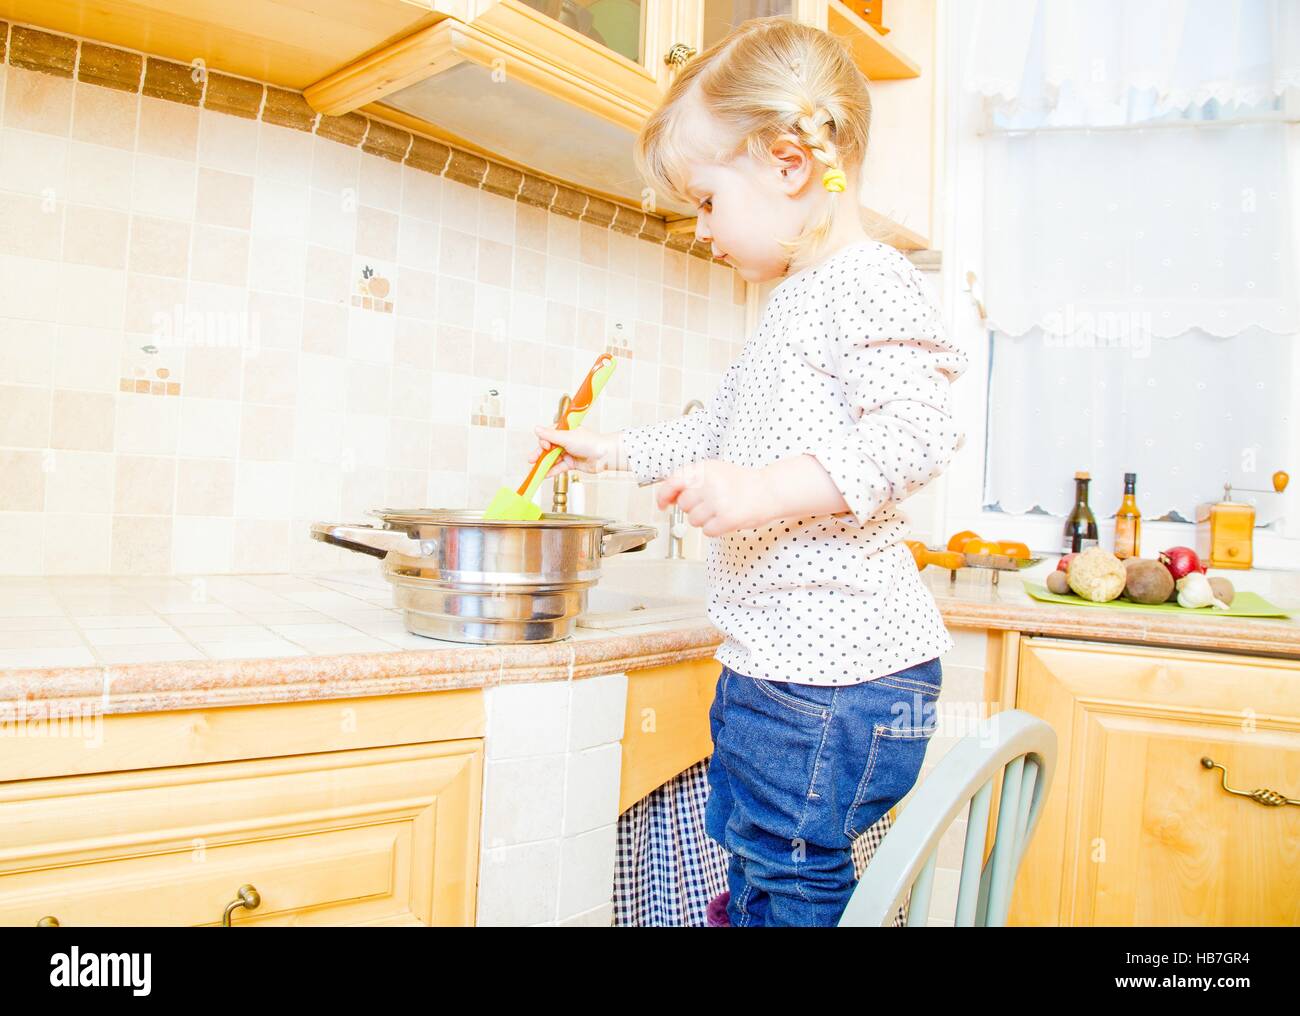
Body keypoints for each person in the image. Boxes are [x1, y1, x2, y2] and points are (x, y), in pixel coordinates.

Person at [528, 16, 968, 927]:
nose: (701, 229)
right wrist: (610, 451)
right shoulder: (795, 304)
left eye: (705, 199)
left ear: (787, 162)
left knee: (790, 866)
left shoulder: (866, 279)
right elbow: (715, 431)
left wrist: (763, 491)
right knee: (759, 845)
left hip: (834, 680)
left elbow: (918, 431)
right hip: (792, 673)